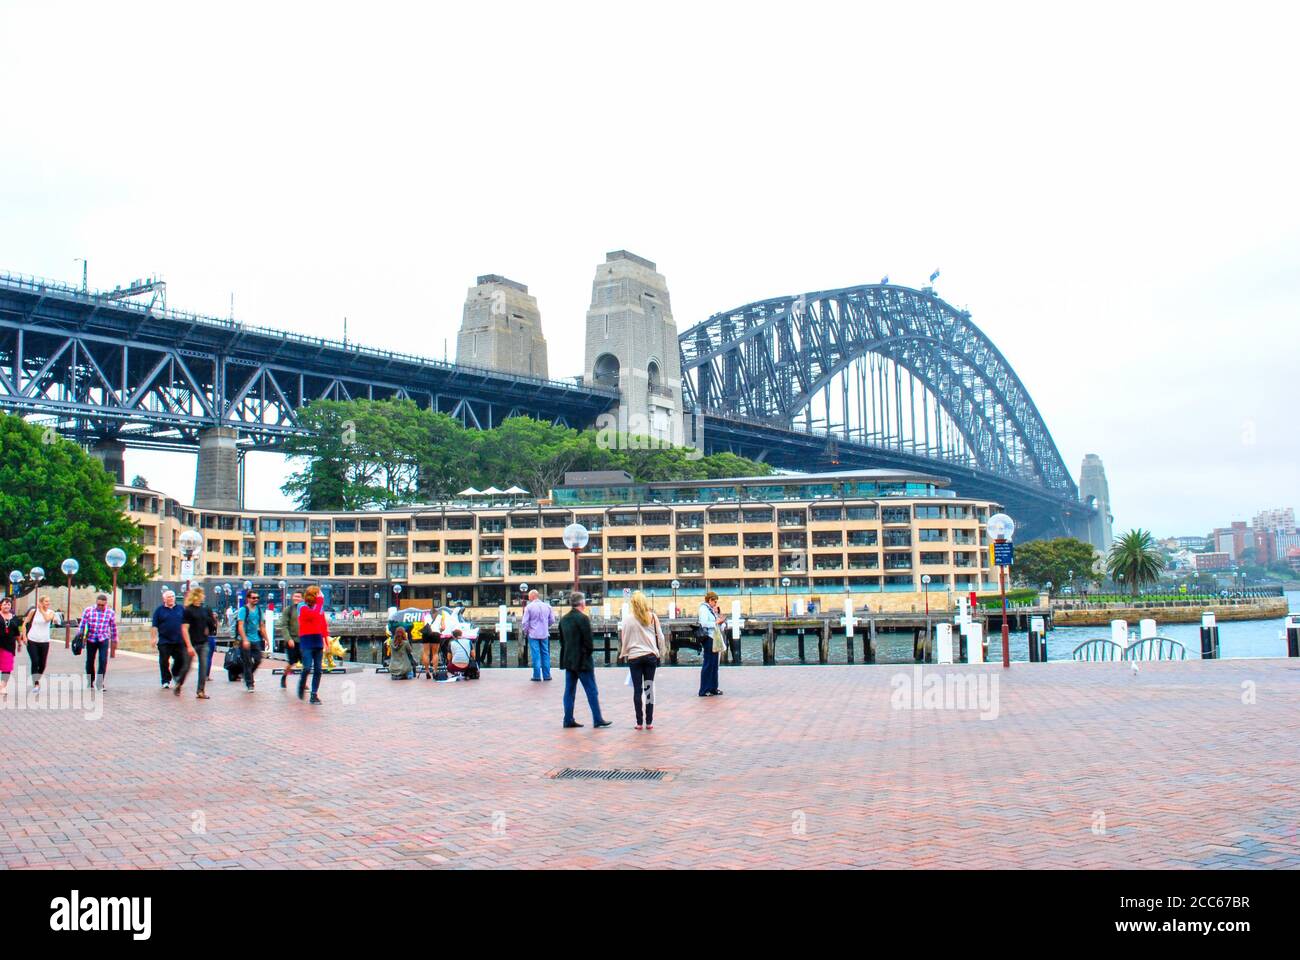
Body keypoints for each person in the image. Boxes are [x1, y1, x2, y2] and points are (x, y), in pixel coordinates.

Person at [558, 591, 611, 729]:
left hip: (568, 660)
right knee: (591, 690)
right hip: (582, 661)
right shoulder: (583, 618)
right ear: (582, 603)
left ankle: (568, 719)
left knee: (569, 691)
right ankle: (597, 718)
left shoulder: (563, 619)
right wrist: (587, 654)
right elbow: (589, 642)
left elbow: (562, 641)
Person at [618, 590, 668, 730]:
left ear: (633, 604)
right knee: (649, 688)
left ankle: (639, 722)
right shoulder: (652, 617)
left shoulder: (628, 619)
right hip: (650, 656)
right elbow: (661, 636)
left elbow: (624, 638)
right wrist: (660, 652)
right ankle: (649, 722)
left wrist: (624, 653)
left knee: (637, 690)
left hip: (634, 657)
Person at [180, 586, 218, 699]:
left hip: (203, 642)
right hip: (192, 642)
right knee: (187, 667)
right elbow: (184, 629)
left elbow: (210, 623)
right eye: (202, 594)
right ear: (197, 595)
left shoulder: (204, 609)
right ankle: (179, 683)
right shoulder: (188, 610)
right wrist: (189, 646)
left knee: (204, 665)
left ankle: (200, 691)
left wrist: (209, 627)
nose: (204, 596)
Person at [295, 585, 329, 704]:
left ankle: (314, 694)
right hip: (306, 640)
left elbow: (322, 622)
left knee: (318, 669)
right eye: (318, 594)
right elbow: (311, 615)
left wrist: (326, 639)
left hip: (317, 639)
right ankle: (302, 683)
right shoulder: (301, 606)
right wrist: (319, 603)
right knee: (307, 667)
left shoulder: (319, 606)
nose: (321, 596)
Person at [80, 592, 117, 692]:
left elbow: (113, 627)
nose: (100, 606)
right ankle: (90, 681)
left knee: (103, 660)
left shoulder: (110, 612)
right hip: (91, 638)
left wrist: (114, 640)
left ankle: (100, 683)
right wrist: (81, 638)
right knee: (90, 660)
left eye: (102, 605)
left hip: (103, 638)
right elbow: (82, 625)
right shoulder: (88, 610)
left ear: (106, 604)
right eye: (99, 604)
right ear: (96, 603)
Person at [151, 589, 186, 690]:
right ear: (164, 599)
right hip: (164, 641)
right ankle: (165, 680)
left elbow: (186, 624)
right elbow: (154, 626)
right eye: (169, 597)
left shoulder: (181, 609)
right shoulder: (159, 610)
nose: (171, 598)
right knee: (163, 661)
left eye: (172, 596)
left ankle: (176, 673)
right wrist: (153, 638)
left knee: (181, 659)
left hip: (179, 641)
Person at [521, 589, 557, 681]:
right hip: (544, 634)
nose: (528, 598)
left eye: (529, 597)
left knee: (535, 654)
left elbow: (525, 623)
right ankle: (547, 675)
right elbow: (552, 620)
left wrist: (526, 631)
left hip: (533, 634)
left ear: (532, 596)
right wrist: (546, 625)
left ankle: (537, 676)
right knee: (545, 654)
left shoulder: (529, 607)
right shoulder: (547, 606)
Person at [24, 595, 57, 691]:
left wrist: (41, 610)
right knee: (35, 661)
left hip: (44, 641)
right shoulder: (33, 612)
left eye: (48, 601)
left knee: (42, 664)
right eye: (46, 601)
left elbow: (47, 619)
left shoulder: (51, 612)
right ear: (41, 602)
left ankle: (36, 678)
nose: (48, 603)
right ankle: (36, 684)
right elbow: (25, 623)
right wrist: (24, 636)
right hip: (32, 640)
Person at [236, 589, 267, 691]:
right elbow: (240, 625)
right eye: (253, 598)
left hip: (256, 639)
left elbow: (262, 626)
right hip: (245, 639)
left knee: (258, 660)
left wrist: (266, 639)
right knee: (247, 662)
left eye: (257, 598)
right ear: (248, 599)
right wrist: (244, 639)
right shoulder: (243, 610)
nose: (256, 599)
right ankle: (250, 684)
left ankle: (247, 675)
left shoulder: (259, 610)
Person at [697, 591, 726, 697]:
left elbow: (716, 623)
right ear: (710, 600)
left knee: (714, 664)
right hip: (708, 638)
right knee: (708, 663)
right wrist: (716, 623)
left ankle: (713, 687)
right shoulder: (703, 609)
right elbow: (704, 623)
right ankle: (704, 689)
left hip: (714, 638)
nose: (715, 603)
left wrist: (720, 621)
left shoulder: (711, 610)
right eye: (714, 601)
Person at [279, 590, 303, 689]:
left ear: (303, 598)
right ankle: (284, 676)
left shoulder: (305, 609)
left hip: (304, 641)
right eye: (295, 596)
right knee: (291, 662)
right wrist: (288, 638)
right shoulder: (288, 610)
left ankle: (303, 682)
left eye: (299, 596)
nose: (297, 598)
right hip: (292, 640)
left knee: (306, 663)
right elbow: (284, 626)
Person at [0, 597, 21, 695]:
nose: (7, 606)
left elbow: (17, 632)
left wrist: (20, 643)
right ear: (1, 605)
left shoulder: (14, 617)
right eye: (5, 604)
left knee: (7, 666)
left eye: (8, 604)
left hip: (9, 645)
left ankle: (3, 686)